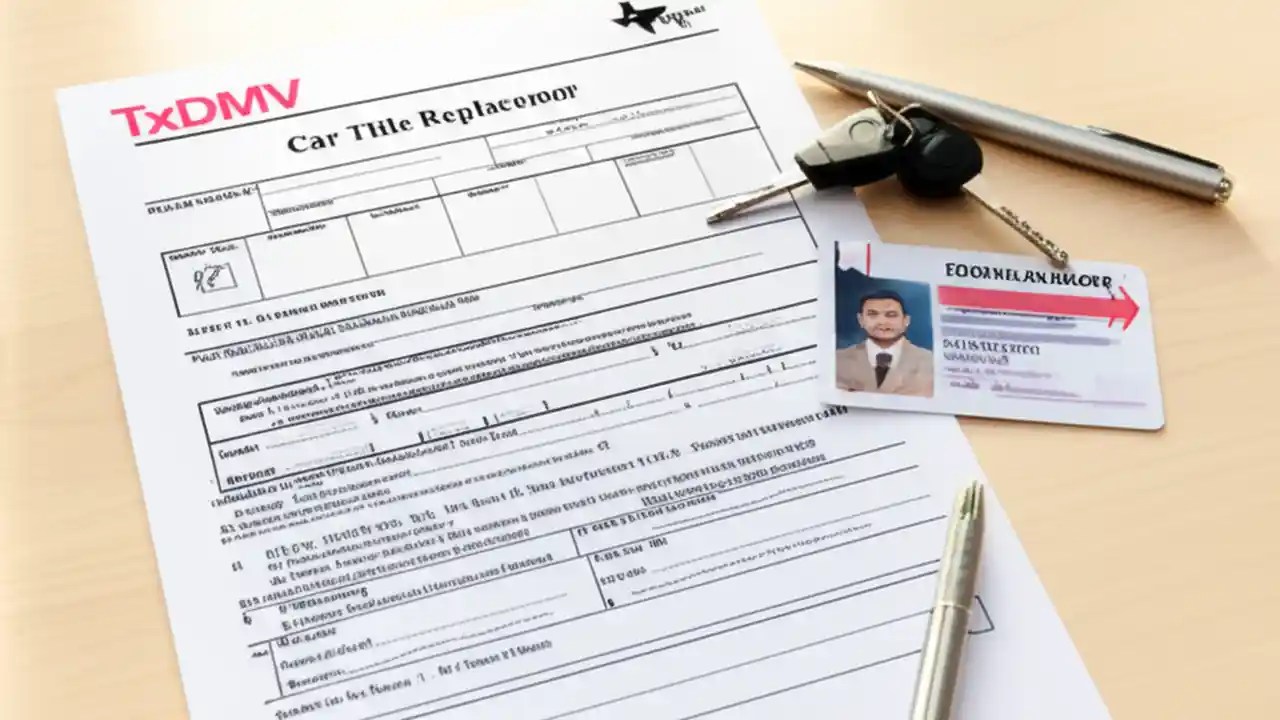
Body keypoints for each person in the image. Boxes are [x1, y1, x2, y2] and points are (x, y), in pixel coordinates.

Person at [835, 288, 934, 397]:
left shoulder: (930, 362)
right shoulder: (837, 360)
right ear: (861, 320)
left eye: (891, 315)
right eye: (873, 314)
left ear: (906, 321)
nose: (882, 322)